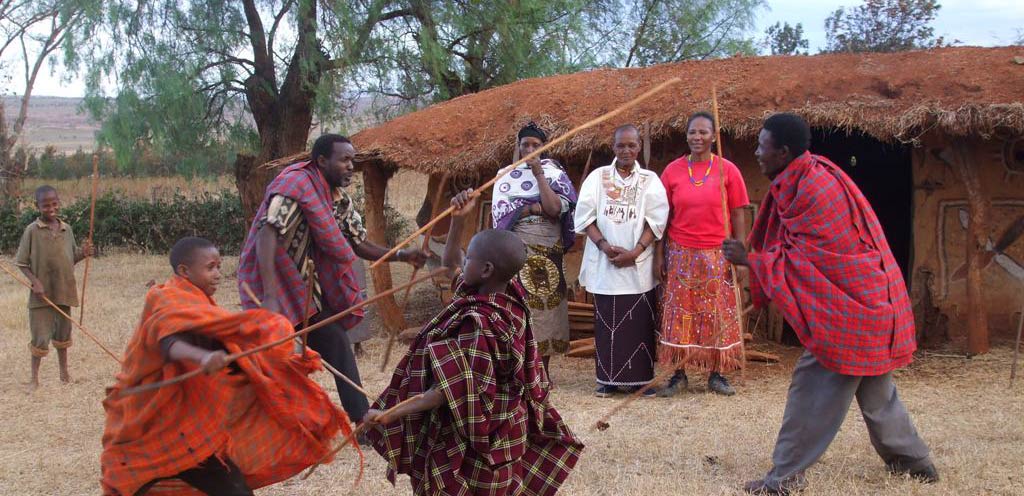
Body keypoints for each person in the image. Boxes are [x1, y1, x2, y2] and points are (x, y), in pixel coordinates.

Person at [722, 113, 937, 494]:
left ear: (783, 152)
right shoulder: (806, 177)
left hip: (852, 309)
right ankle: (915, 462)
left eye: (762, 146)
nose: (756, 152)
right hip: (869, 304)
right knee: (877, 393)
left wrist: (750, 260)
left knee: (811, 391)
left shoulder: (815, 190)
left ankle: (784, 479)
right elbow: (800, 251)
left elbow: (803, 261)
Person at [363, 189, 584, 495]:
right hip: (509, 430)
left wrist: (389, 414)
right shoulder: (509, 297)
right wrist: (457, 220)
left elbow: (444, 392)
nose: (462, 263)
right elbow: (451, 264)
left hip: (479, 434)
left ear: (485, 270)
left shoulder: (478, 322)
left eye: (470, 259)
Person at [101, 237, 351, 496]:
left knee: (226, 485)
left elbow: (235, 350)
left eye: (219, 266)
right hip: (155, 420)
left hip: (190, 426)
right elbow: (169, 342)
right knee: (143, 478)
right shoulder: (166, 299)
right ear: (185, 271)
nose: (218, 274)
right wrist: (202, 358)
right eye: (210, 267)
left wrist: (284, 360)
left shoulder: (201, 304)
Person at [238, 133, 429, 422]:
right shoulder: (295, 185)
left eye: (352, 160)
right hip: (272, 283)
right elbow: (268, 232)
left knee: (336, 341)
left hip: (304, 287)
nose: (351, 166)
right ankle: (255, 421)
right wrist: (270, 295)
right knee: (269, 358)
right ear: (322, 161)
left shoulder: (338, 198)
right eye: (344, 160)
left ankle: (362, 419)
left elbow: (358, 243)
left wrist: (402, 255)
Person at [656, 111, 750, 397]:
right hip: (680, 252)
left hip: (717, 254)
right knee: (679, 314)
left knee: (717, 313)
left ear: (713, 136)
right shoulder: (672, 171)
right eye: (692, 132)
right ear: (686, 135)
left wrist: (740, 254)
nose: (697, 137)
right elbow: (662, 217)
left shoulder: (728, 170)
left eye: (703, 132)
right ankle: (679, 374)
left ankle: (717, 373)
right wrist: (660, 255)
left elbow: (739, 212)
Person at [574, 124, 669, 398]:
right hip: (605, 264)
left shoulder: (650, 180)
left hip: (638, 267)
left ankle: (640, 381)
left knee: (639, 324)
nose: (626, 150)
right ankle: (607, 380)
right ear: (613, 148)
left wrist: (635, 252)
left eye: (631, 145)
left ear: (639, 147)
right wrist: (604, 246)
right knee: (607, 325)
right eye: (620, 145)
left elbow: (657, 221)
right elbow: (585, 217)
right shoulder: (598, 177)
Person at [491, 121, 577, 384]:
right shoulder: (505, 176)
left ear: (544, 147)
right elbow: (501, 217)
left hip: (549, 251)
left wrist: (539, 174)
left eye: (535, 145)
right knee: (520, 308)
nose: (530, 149)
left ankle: (543, 372)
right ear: (518, 147)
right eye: (525, 145)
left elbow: (554, 209)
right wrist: (529, 208)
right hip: (517, 251)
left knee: (548, 310)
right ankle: (521, 372)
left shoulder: (554, 174)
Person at [15, 185, 93, 388]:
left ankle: (64, 373)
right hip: (42, 295)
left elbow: (71, 258)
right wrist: (35, 282)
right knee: (40, 337)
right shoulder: (32, 230)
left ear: (59, 202)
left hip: (63, 290)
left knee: (63, 335)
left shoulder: (67, 229)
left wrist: (83, 253)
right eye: (46, 205)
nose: (51, 208)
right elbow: (22, 263)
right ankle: (34, 378)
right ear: (37, 206)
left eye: (54, 203)